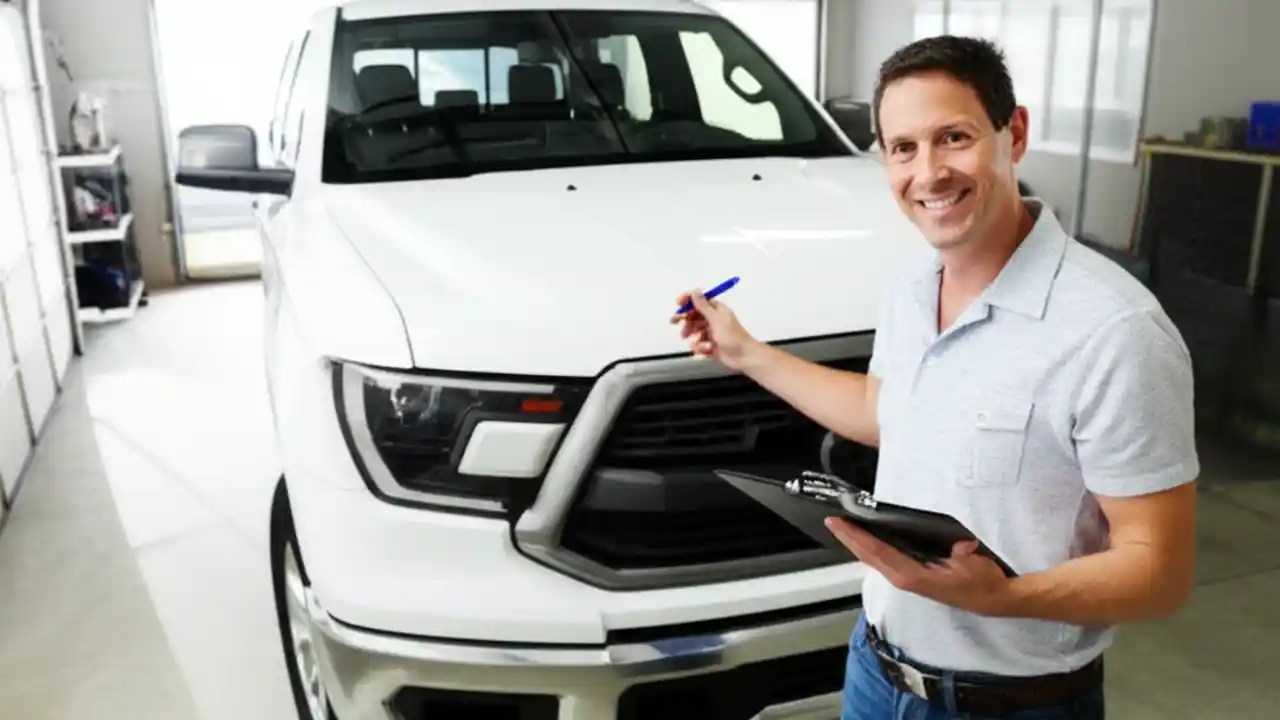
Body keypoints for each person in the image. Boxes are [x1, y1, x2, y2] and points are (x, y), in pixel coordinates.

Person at [672, 35, 1198, 720]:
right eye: (903, 148)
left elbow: (1158, 571)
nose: (929, 173)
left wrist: (1002, 599)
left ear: (1015, 134)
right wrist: (743, 351)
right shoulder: (914, 289)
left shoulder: (1114, 330)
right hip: (875, 671)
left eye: (953, 137)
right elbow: (886, 409)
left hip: (1008, 704)